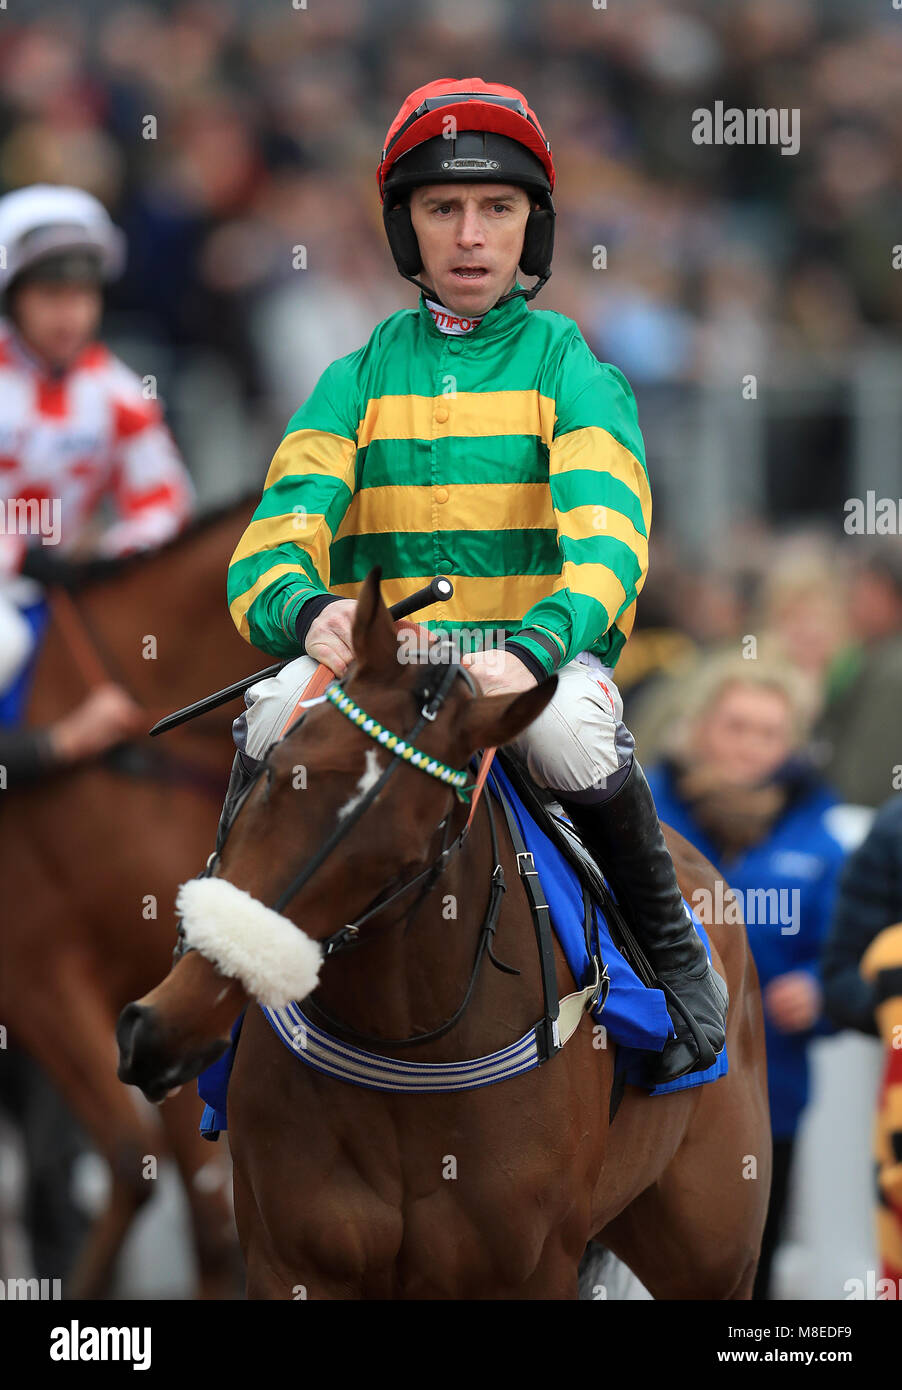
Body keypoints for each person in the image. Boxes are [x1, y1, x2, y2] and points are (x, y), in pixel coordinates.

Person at [220, 78, 727, 1084]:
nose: (467, 235)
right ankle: (218, 966)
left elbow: (609, 548)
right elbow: (269, 543)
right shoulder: (351, 377)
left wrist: (533, 647)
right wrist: (309, 608)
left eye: (495, 209)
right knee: (271, 708)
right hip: (382, 686)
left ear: (529, 228)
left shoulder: (572, 370)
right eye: (440, 209)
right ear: (405, 230)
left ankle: (674, 960)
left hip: (528, 667)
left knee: (571, 730)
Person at [644, 653, 847, 1297]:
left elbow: (843, 950)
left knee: (742, 1267)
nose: (750, 746)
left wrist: (819, 986)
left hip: (768, 1098)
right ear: (698, 726)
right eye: (736, 725)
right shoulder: (638, 814)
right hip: (641, 1091)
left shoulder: (820, 834)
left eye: (769, 732)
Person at [0, 184, 195, 738]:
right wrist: (20, 556)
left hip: (68, 585)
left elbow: (165, 503)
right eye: (50, 295)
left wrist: (111, 559)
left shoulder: (121, 394)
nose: (71, 314)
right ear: (14, 298)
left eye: (83, 295)